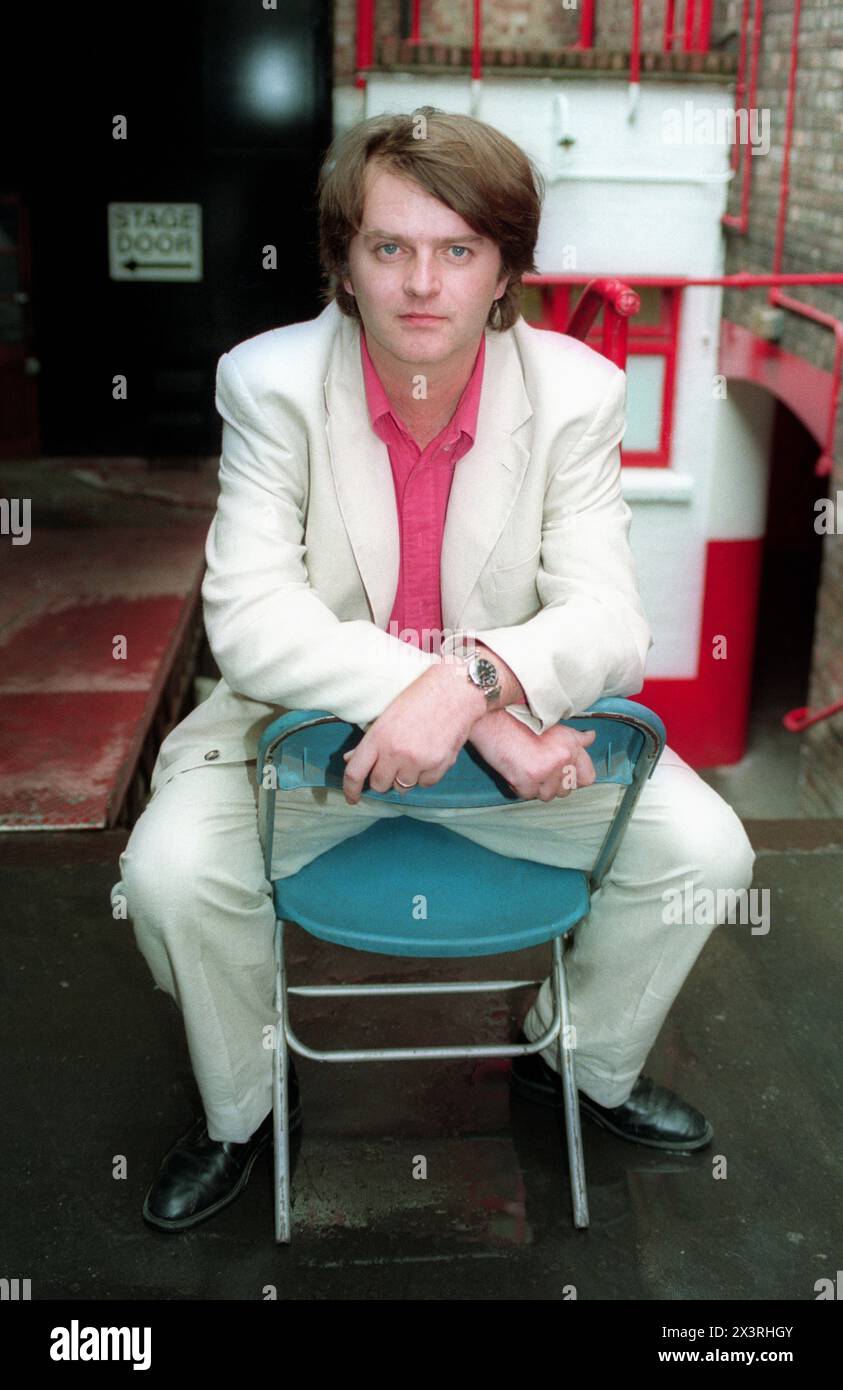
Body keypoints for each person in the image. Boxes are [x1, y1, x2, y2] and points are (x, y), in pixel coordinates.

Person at [115, 107, 756, 1232]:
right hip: (297, 743)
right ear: (344, 262)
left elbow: (610, 621)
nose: (424, 283)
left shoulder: (577, 394)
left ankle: (573, 1065)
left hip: (511, 751)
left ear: (505, 267)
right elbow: (250, 622)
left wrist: (469, 693)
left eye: (459, 249)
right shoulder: (266, 383)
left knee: (709, 849)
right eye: (389, 246)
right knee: (168, 874)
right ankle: (250, 1109)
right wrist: (484, 713)